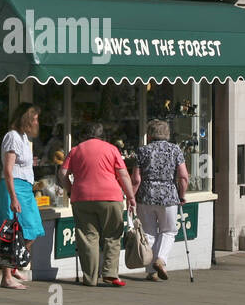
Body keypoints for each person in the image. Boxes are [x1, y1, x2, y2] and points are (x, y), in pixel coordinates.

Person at [59, 122, 135, 287]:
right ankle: (110, 273)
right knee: (112, 235)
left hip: (82, 197)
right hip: (110, 197)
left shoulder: (76, 150)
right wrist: (131, 197)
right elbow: (123, 176)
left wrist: (71, 190)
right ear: (102, 135)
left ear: (85, 135)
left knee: (88, 237)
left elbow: (63, 173)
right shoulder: (112, 149)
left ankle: (90, 278)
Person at [131, 119, 189, 281]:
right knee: (169, 231)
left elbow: (136, 179)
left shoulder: (142, 151)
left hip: (146, 196)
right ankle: (161, 259)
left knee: (148, 233)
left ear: (150, 135)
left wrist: (131, 198)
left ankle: (151, 271)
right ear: (167, 134)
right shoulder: (175, 150)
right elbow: (183, 176)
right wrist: (182, 194)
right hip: (168, 196)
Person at [0, 103, 43, 289]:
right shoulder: (12, 137)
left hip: (26, 189)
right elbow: (8, 170)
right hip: (13, 188)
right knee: (10, 233)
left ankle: (13, 265)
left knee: (33, 228)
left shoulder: (23, 138)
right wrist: (13, 197)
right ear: (27, 119)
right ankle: (6, 276)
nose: (37, 122)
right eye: (35, 118)